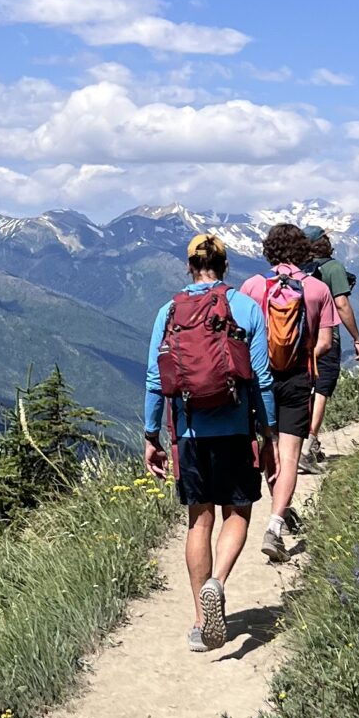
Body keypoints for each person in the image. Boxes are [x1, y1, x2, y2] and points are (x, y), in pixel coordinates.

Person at [144, 231, 276, 653]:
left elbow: (154, 380)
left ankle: (202, 624)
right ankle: (217, 581)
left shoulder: (169, 311)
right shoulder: (246, 308)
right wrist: (268, 433)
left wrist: (152, 436)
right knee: (237, 512)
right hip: (236, 431)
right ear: (225, 267)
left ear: (189, 267)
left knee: (199, 520)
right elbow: (261, 380)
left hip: (189, 434)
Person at [240, 222, 336, 563]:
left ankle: (277, 502)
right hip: (297, 379)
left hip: (258, 380)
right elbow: (325, 342)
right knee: (292, 453)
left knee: (272, 446)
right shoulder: (316, 290)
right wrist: (306, 356)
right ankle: (276, 524)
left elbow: (238, 337)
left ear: (269, 251)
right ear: (303, 252)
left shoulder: (252, 286)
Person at [302, 226, 359, 468]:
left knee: (304, 388)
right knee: (321, 389)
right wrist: (357, 338)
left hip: (298, 339)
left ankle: (301, 443)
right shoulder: (333, 268)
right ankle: (307, 447)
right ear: (324, 242)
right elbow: (342, 305)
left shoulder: (298, 270)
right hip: (326, 338)